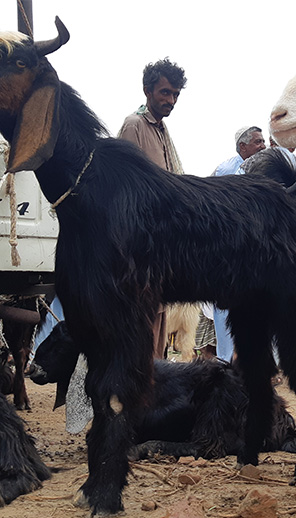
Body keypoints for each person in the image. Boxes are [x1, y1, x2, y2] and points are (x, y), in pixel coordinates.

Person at [118, 58, 188, 360]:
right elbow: (124, 189)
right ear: (147, 91)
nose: (170, 100)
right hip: (140, 245)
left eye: (175, 94)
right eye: (164, 93)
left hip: (161, 243)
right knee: (139, 321)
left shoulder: (162, 129)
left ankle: (153, 385)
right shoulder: (134, 126)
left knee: (157, 317)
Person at [208, 126, 269, 363]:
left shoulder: (269, 167)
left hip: (259, 250)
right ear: (243, 147)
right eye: (257, 142)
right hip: (227, 250)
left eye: (263, 141)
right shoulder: (225, 170)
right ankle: (225, 360)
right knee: (224, 304)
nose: (263, 145)